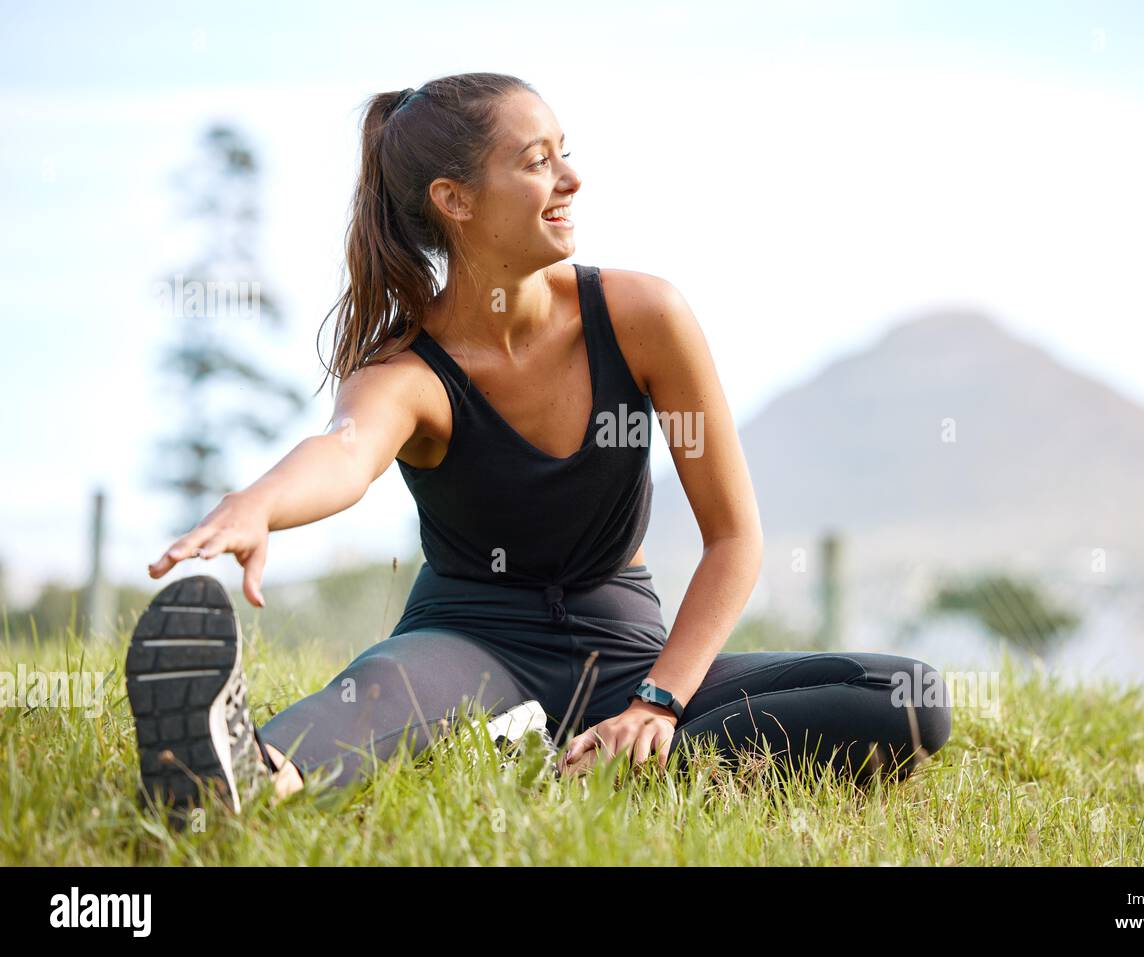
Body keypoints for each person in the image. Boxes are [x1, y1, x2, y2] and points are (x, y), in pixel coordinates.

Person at [129, 71, 951, 818]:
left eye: (566, 154)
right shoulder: (413, 368)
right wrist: (257, 505)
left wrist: (656, 703)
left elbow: (735, 539)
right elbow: (345, 449)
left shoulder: (643, 317)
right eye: (536, 161)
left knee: (906, 696)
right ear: (455, 200)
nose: (571, 179)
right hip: (467, 645)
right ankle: (236, 774)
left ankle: (609, 754)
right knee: (376, 696)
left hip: (628, 654)